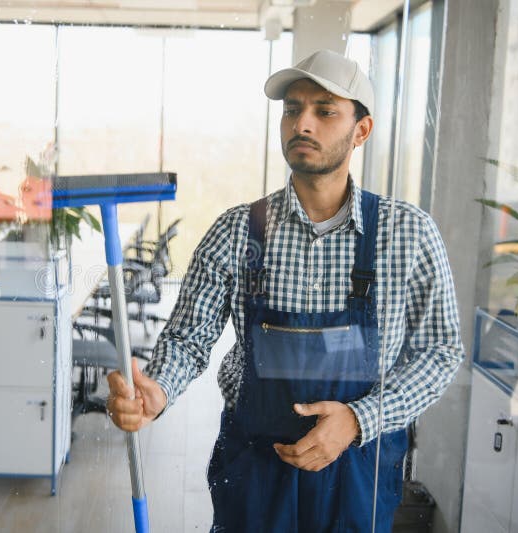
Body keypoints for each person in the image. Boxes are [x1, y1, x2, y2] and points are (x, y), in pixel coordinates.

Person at [107, 49, 464, 532]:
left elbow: (440, 350)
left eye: (325, 110)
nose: (304, 123)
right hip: (256, 465)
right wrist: (157, 391)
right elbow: (188, 340)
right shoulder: (236, 232)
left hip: (359, 465)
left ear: (362, 130)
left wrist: (360, 420)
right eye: (292, 109)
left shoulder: (408, 234)